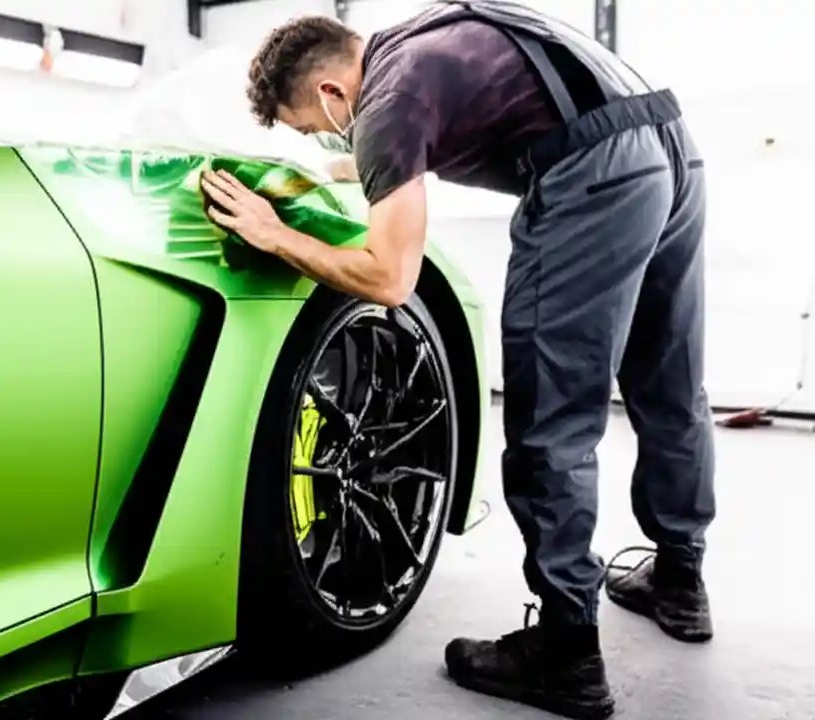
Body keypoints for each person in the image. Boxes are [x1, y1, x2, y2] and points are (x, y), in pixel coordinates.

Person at [199, 1, 716, 718]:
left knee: (549, 414)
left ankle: (567, 651)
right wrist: (359, 169)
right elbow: (418, 138)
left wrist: (273, 233)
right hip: (669, 148)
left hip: (593, 174)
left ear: (330, 93)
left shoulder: (386, 100)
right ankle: (681, 578)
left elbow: (388, 279)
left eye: (315, 131)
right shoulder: (428, 40)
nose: (326, 141)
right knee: (670, 381)